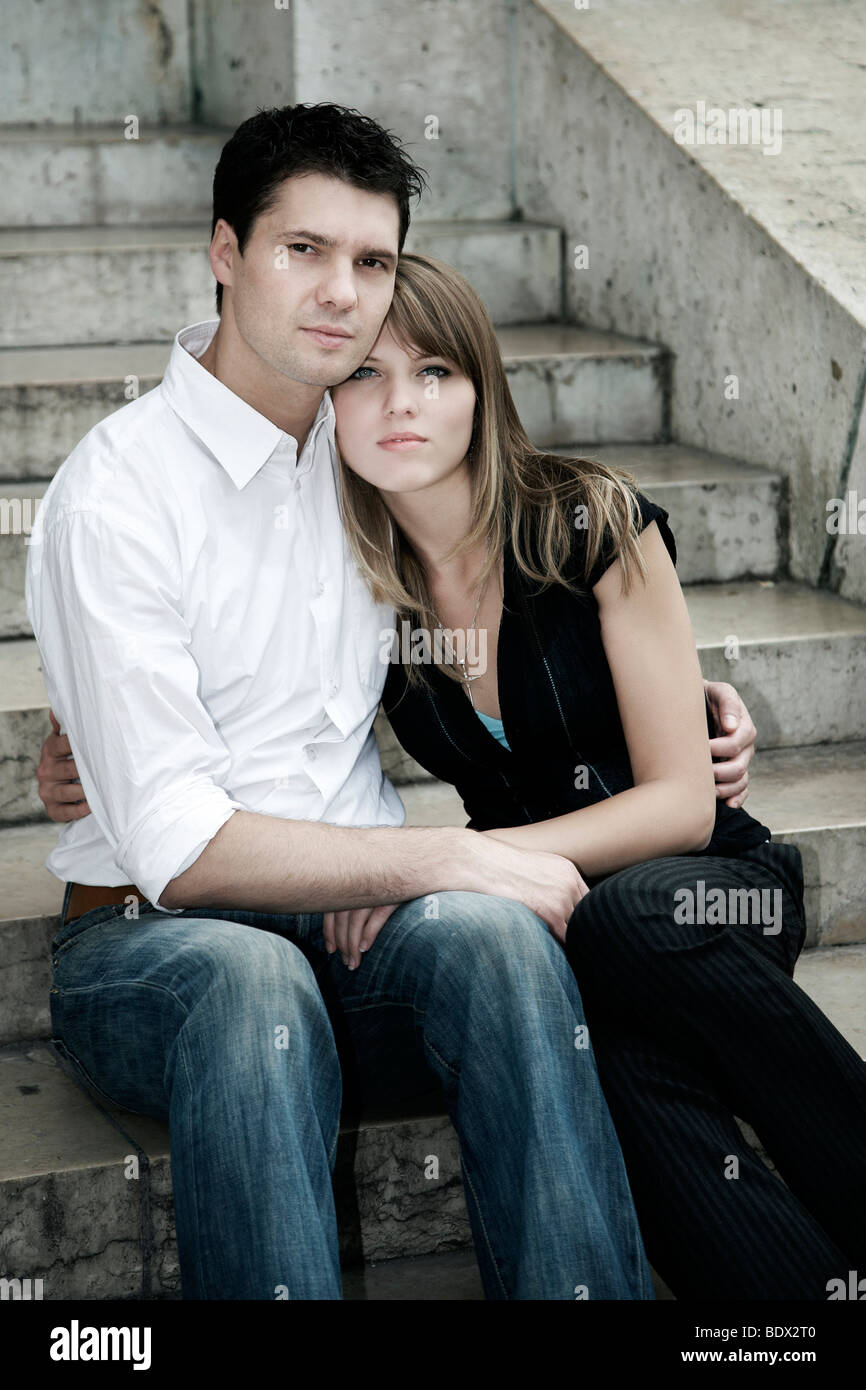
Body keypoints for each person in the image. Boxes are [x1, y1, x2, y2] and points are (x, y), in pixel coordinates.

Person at [27, 102, 663, 1301]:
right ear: (225, 253)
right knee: (255, 980)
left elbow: (509, 591)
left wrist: (678, 694)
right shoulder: (117, 494)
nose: (340, 291)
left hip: (358, 933)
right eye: (301, 250)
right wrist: (434, 859)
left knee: (493, 941)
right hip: (149, 948)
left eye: (370, 260)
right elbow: (181, 849)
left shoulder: (366, 449)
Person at [318, 250, 864, 1301]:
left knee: (621, 924)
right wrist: (84, 764)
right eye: (365, 377)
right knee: (614, 1074)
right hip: (555, 937)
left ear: (481, 389)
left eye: (434, 373)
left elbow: (677, 802)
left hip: (698, 896)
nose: (402, 405)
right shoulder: (356, 589)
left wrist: (443, 860)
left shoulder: (589, 522)